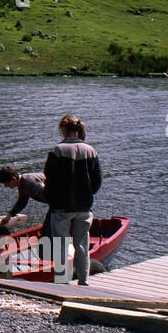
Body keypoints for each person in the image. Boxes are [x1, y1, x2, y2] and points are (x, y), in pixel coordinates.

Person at [43, 114, 102, 285]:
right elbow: (97, 182)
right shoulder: (91, 150)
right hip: (84, 207)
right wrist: (86, 195)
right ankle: (84, 281)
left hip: (61, 207)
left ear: (63, 129)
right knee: (82, 245)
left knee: (61, 246)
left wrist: (52, 200)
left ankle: (62, 281)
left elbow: (49, 178)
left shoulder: (58, 150)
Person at [0, 166, 48, 231]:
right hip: (56, 203)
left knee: (49, 227)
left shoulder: (30, 183)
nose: (6, 186)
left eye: (6, 183)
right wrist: (9, 216)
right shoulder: (22, 184)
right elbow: (22, 201)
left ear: (13, 179)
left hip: (60, 201)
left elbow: (51, 194)